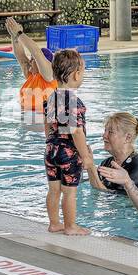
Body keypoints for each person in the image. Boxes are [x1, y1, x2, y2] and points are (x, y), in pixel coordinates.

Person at [43, 50, 99, 235]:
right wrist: (85, 156)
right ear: (76, 74)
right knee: (69, 192)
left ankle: (54, 223)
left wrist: (50, 142)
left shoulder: (52, 98)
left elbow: (47, 124)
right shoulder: (74, 101)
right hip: (68, 153)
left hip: (51, 149)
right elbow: (76, 130)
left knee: (54, 190)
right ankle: (70, 226)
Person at [5, 16, 57, 122]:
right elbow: (20, 56)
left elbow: (36, 52)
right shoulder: (32, 76)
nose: (29, 61)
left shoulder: (49, 76)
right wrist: (14, 37)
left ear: (40, 62)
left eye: (32, 59)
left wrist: (20, 33)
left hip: (43, 123)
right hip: (28, 123)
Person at [97, 112, 138, 194]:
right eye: (105, 131)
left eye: (110, 132)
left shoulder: (137, 167)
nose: (104, 136)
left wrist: (91, 169)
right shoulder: (106, 163)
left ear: (127, 138)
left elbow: (117, 200)